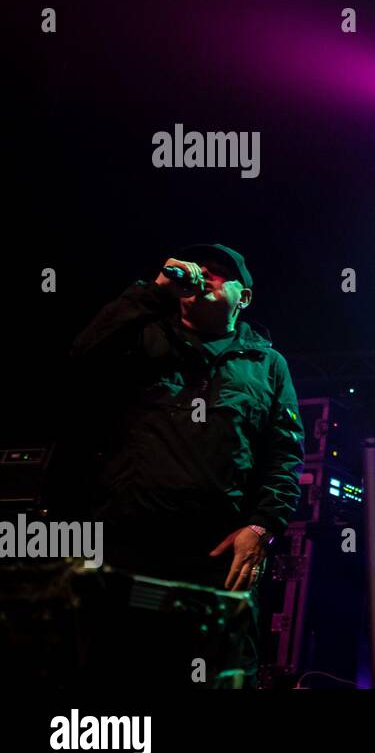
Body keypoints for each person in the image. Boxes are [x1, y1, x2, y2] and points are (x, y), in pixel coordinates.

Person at [57, 243, 304, 683]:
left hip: (216, 555)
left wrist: (263, 525)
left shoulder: (267, 366)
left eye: (217, 272)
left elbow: (285, 455)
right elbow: (82, 352)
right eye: (197, 268)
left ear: (243, 297)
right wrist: (154, 291)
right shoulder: (143, 338)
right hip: (128, 545)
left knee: (218, 672)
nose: (202, 275)